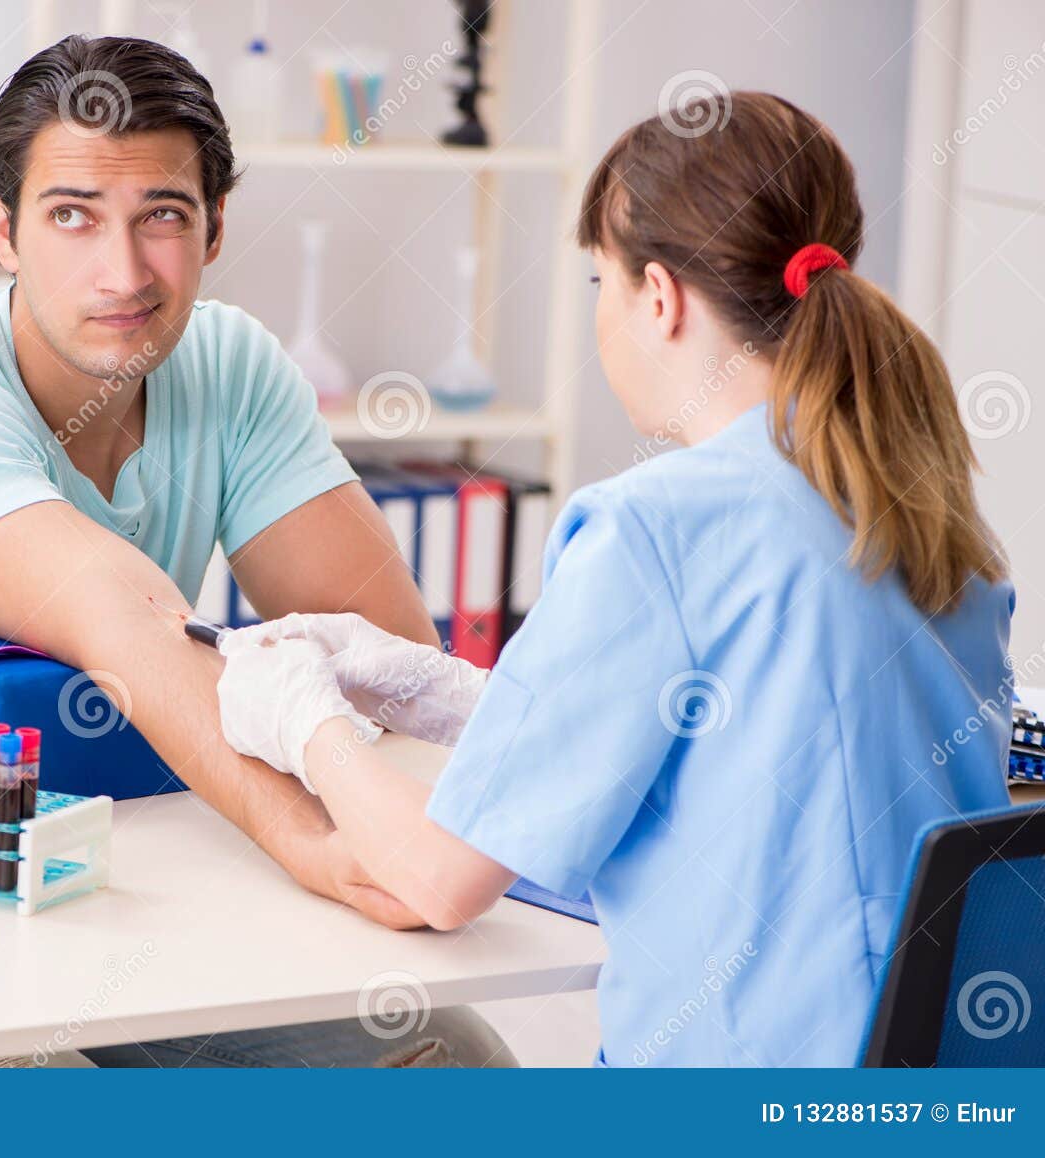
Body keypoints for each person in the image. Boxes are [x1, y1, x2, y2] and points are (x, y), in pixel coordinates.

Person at [0, 35, 505, 1066]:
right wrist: (309, 839)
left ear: (213, 230)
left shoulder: (232, 368)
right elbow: (130, 627)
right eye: (71, 216)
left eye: (161, 215)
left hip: (77, 876)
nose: (123, 272)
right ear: (4, 231)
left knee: (442, 1062)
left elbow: (388, 665)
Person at [214, 92, 1015, 1067]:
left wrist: (305, 721)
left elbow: (437, 880)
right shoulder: (920, 513)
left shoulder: (655, 529)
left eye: (600, 279)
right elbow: (754, 739)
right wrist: (462, 699)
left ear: (661, 297)